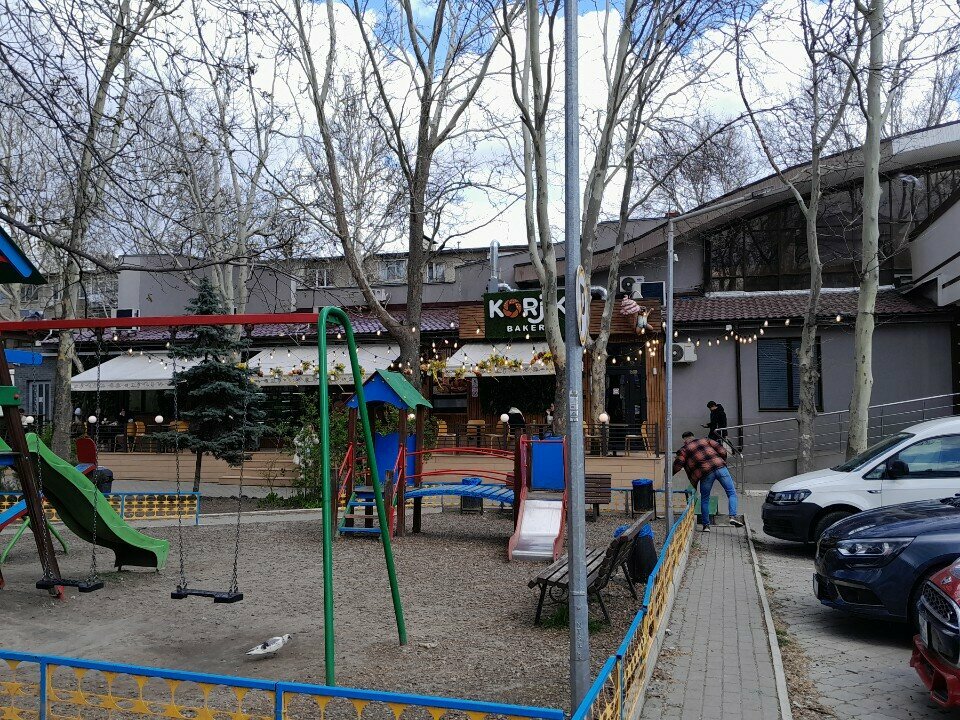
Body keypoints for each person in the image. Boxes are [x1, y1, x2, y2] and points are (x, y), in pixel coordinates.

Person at [672, 431, 743, 531]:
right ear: (693, 437)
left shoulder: (684, 449)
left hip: (705, 473)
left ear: (684, 441)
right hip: (720, 467)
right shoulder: (706, 440)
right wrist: (719, 460)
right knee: (731, 493)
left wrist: (668, 473)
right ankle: (732, 516)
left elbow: (678, 464)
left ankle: (706, 526)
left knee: (705, 498)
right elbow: (722, 450)